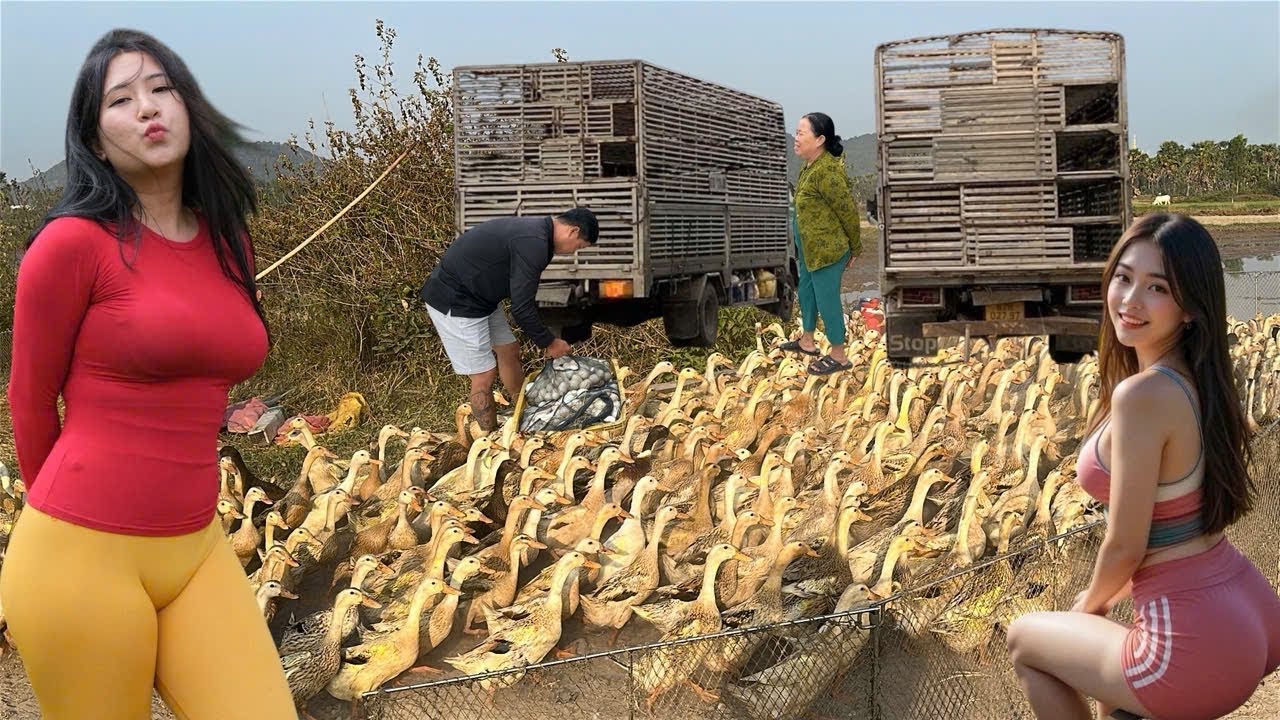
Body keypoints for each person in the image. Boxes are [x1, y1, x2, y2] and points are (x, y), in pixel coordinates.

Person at [1, 29, 296, 719]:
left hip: (196, 548)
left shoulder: (230, 240)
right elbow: (30, 400)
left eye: (162, 88)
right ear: (97, 142)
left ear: (189, 107)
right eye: (121, 99)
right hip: (81, 557)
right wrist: (68, 526)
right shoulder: (73, 245)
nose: (147, 108)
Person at [1006, 213, 1280, 720]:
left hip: (1197, 644)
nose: (1130, 301)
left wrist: (1087, 606)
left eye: (1157, 288)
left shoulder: (1144, 394)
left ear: (1191, 308)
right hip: (1248, 613)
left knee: (1025, 638)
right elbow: (1170, 527)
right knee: (1116, 691)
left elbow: (1126, 544)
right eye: (1124, 277)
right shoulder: (1198, 378)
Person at [420, 208, 598, 431]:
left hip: (481, 297)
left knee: (509, 349)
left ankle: (521, 410)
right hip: (456, 300)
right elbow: (521, 308)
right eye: (579, 247)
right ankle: (489, 440)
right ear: (573, 231)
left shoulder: (538, 232)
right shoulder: (535, 242)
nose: (574, 252)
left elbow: (524, 293)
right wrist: (549, 343)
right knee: (484, 373)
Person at [782, 112, 861, 375]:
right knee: (806, 292)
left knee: (827, 299)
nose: (796, 137)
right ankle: (807, 341)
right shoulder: (809, 167)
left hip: (827, 251)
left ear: (819, 140)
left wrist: (856, 247)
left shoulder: (827, 171)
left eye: (801, 133)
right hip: (809, 250)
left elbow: (847, 211)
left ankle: (838, 356)